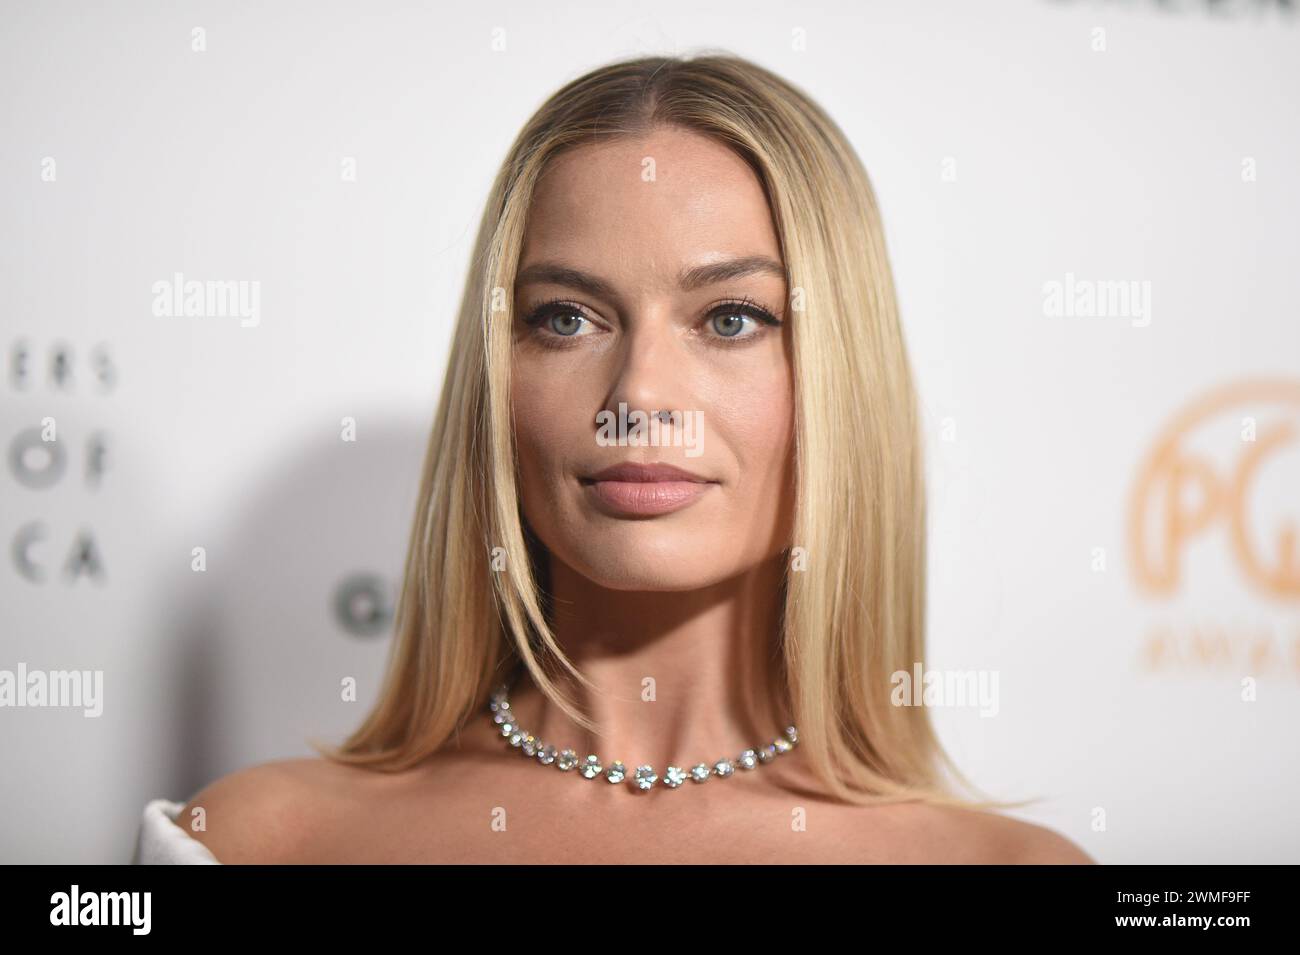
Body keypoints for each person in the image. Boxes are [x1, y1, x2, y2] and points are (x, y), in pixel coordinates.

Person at [135, 51, 1095, 864]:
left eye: (731, 318)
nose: (638, 395)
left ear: (844, 381)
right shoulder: (260, 841)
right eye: (566, 317)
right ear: (495, 379)